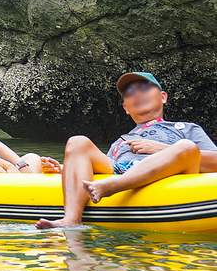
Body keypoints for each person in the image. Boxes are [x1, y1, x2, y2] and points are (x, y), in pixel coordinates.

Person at [37, 71, 217, 229]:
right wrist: (63, 169)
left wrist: (162, 149)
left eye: (145, 87)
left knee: (186, 146)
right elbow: (105, 167)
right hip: (120, 170)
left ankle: (113, 187)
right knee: (77, 142)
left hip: (170, 172)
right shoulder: (121, 141)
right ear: (125, 108)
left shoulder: (185, 128)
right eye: (130, 92)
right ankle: (70, 219)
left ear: (163, 97)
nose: (137, 94)